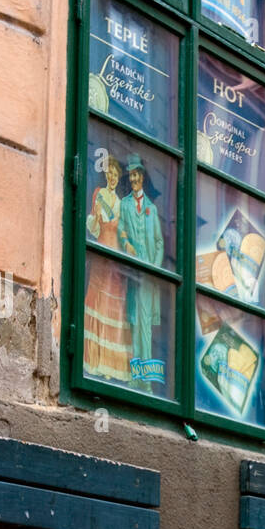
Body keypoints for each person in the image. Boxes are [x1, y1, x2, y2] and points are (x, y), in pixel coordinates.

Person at [83, 156, 131, 382]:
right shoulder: (98, 194)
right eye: (109, 173)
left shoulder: (121, 204)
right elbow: (92, 227)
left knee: (113, 305)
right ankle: (95, 362)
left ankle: (109, 367)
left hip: (116, 261)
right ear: (105, 175)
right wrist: (95, 213)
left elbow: (124, 234)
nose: (112, 178)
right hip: (101, 255)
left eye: (115, 174)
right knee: (98, 302)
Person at [118, 153, 165, 382]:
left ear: (143, 177)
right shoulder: (125, 205)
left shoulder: (151, 209)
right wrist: (126, 244)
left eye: (137, 174)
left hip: (148, 273)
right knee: (133, 319)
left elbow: (158, 241)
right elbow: (121, 230)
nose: (134, 178)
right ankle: (135, 374)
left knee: (144, 324)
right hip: (131, 270)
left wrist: (154, 268)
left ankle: (144, 378)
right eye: (131, 174)